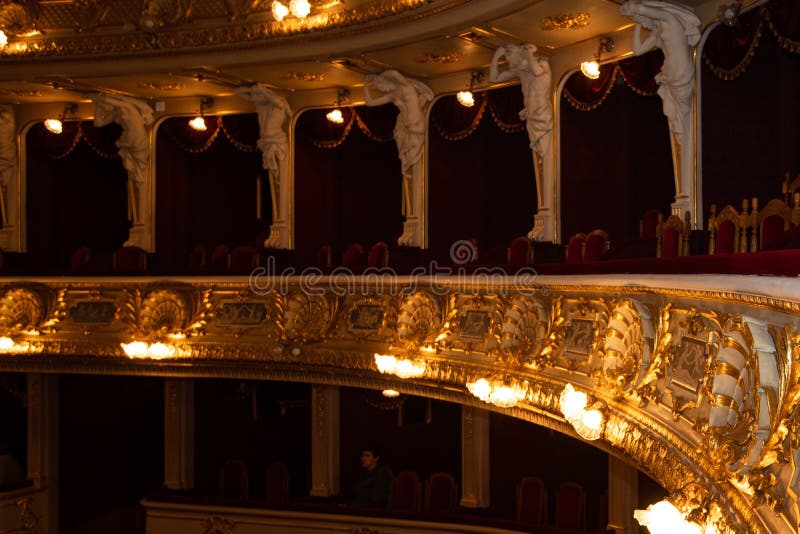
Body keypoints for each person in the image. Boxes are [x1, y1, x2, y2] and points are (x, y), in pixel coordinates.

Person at [620, 0, 701, 141]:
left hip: (680, 69)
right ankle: (682, 139)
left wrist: (635, 9)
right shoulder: (657, 32)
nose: (645, 25)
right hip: (669, 72)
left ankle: (685, 138)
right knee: (670, 111)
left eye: (643, 21)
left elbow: (644, 9)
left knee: (683, 110)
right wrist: (637, 22)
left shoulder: (669, 19)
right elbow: (637, 51)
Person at [489, 43, 552, 158]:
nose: (510, 63)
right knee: (540, 152)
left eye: (511, 59)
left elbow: (537, 72)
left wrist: (528, 53)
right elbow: (493, 78)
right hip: (531, 115)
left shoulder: (541, 63)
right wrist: (496, 57)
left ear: (520, 55)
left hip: (542, 114)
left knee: (545, 151)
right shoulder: (519, 71)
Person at [235, 84, 292, 178]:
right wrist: (252, 89)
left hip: (276, 140)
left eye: (257, 95)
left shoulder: (279, 102)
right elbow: (237, 91)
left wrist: (262, 91)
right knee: (274, 173)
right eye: (254, 95)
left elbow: (276, 101)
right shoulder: (261, 104)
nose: (254, 97)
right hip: (267, 141)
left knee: (278, 173)